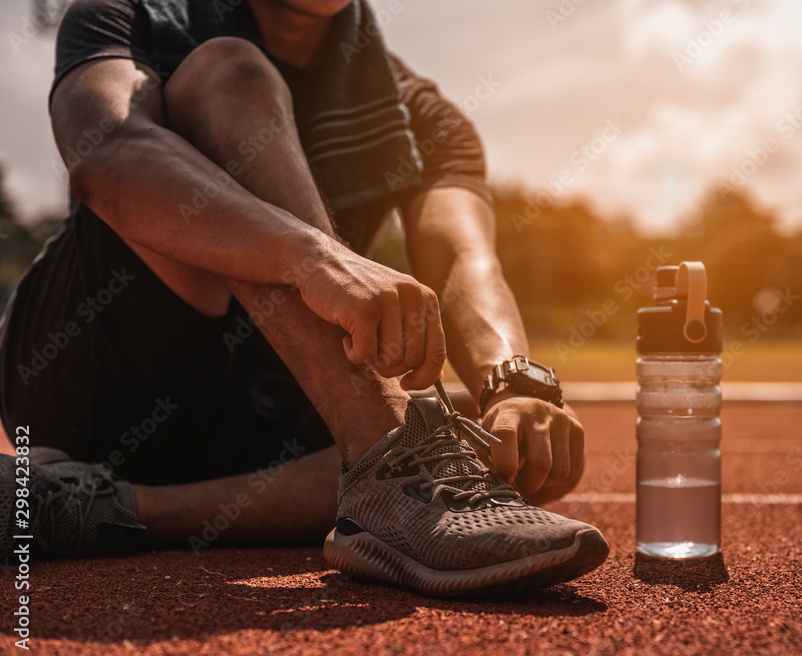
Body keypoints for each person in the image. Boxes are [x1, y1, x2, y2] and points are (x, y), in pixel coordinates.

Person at [0, 0, 609, 595]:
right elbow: (106, 155)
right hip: (102, 376)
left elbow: (461, 257)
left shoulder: (420, 113)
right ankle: (387, 458)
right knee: (229, 74)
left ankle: (89, 506)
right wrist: (314, 259)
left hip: (277, 407)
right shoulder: (127, 14)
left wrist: (517, 385)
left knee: (485, 443)